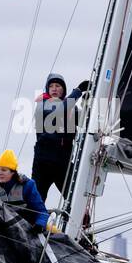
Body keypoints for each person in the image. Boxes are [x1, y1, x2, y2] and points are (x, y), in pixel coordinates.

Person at [32, 72, 89, 201]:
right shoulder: (43, 104)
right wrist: (78, 91)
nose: (54, 88)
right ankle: (34, 221)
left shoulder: (70, 109)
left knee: (76, 199)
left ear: (63, 89)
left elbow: (86, 120)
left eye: (58, 85)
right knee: (36, 202)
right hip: (43, 164)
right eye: (51, 86)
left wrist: (87, 102)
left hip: (63, 164)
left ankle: (82, 221)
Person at [0, 149, 49, 233]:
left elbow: (42, 212)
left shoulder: (27, 185)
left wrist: (39, 225)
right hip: (3, 229)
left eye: (4, 170)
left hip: (25, 229)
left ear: (13, 172)